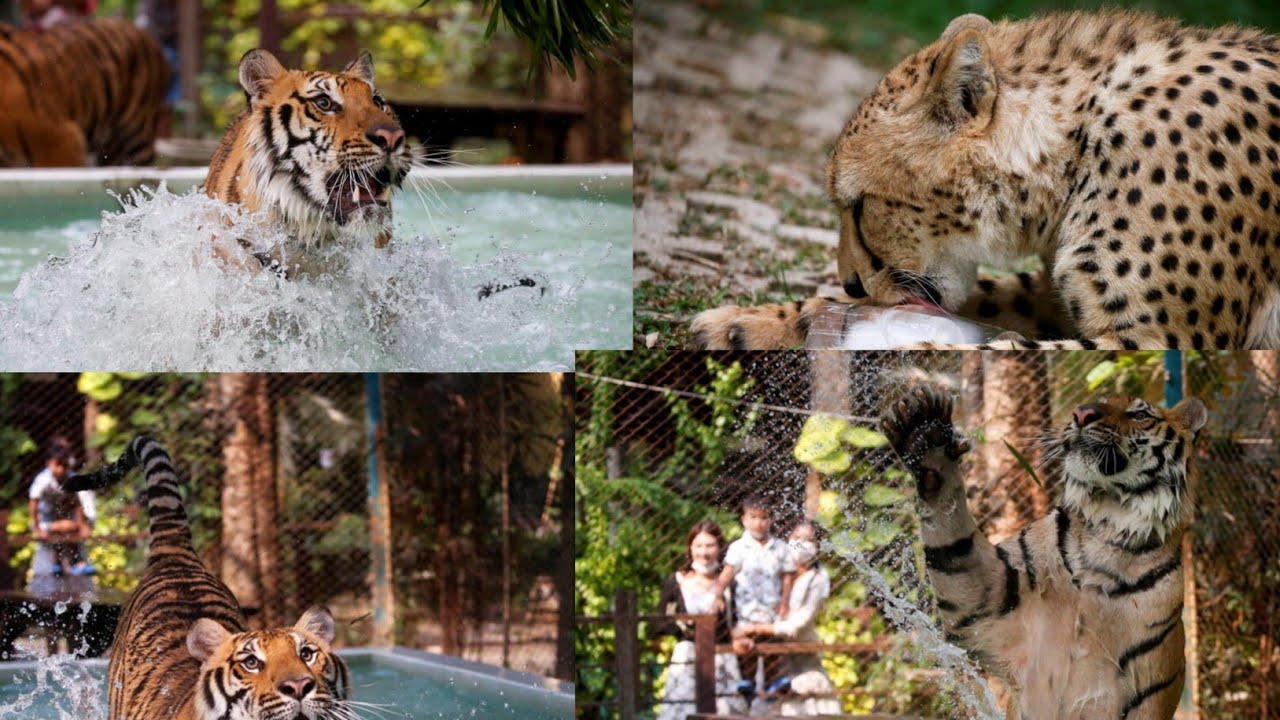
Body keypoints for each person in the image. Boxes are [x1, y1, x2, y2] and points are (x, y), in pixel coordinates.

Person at [739, 522, 842, 716]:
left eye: (809, 540)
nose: (801, 544)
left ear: (818, 545)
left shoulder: (818, 578)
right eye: (796, 538)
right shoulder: (774, 571)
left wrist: (756, 629)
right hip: (770, 660)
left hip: (801, 659)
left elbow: (798, 624)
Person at [654, 521, 750, 720]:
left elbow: (739, 618)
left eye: (710, 546)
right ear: (690, 548)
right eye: (699, 546)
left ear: (719, 548)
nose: (704, 552)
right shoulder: (677, 581)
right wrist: (684, 625)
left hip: (722, 657)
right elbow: (659, 622)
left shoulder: (730, 583)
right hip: (688, 657)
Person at [713, 496, 795, 702]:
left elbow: (787, 576)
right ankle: (747, 682)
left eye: (764, 518)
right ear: (744, 520)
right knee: (747, 646)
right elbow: (727, 574)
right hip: (746, 608)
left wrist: (785, 602)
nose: (759, 523)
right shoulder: (738, 548)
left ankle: (770, 684)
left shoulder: (780, 548)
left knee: (771, 648)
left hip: (771, 608)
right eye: (753, 517)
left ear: (771, 520)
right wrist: (717, 595)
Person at [27, 443, 96, 581]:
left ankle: (77, 562)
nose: (60, 469)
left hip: (67, 518)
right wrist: (37, 528)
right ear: (48, 464)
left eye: (64, 466)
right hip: (46, 521)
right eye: (57, 465)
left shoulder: (72, 479)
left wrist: (83, 525)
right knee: (61, 528)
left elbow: (78, 503)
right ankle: (57, 562)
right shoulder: (43, 480)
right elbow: (33, 503)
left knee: (69, 528)